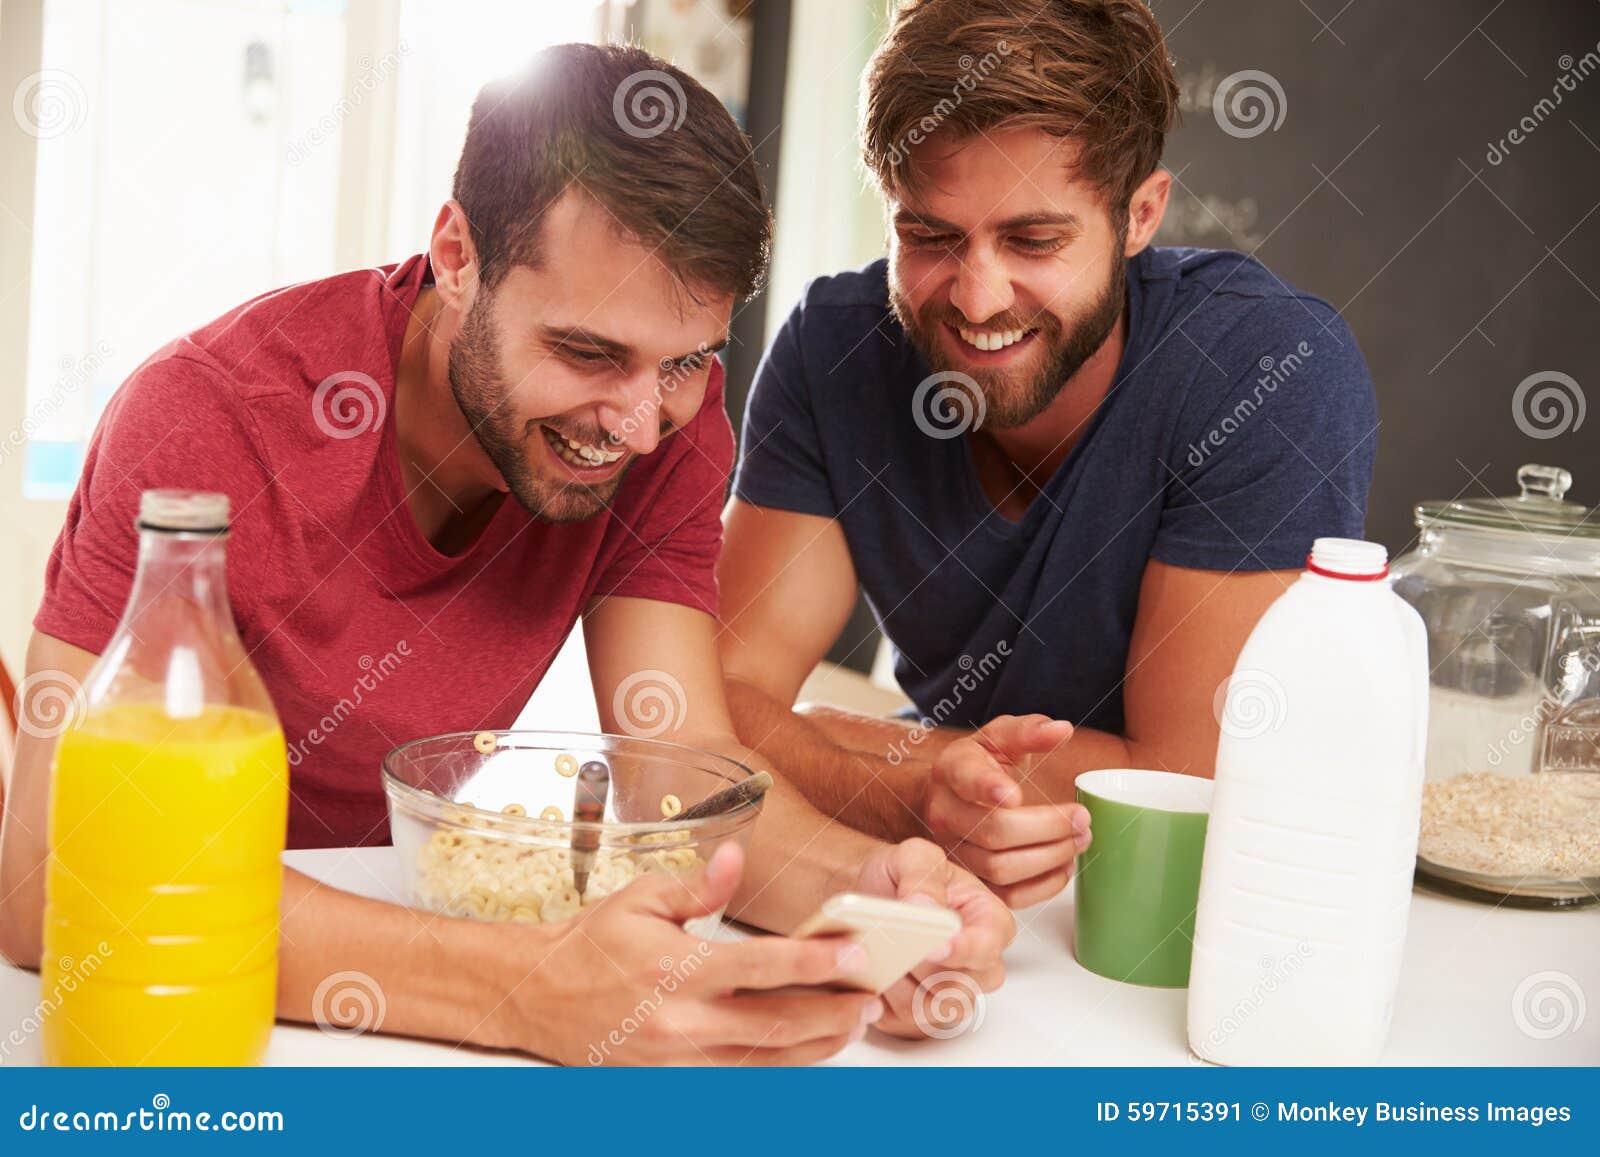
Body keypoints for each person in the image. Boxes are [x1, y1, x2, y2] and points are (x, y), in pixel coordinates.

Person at [0, 43, 1012, 1065]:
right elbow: (46, 879)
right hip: (189, 1019)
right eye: (586, 351)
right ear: (456, 252)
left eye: (689, 360)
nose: (636, 423)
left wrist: (866, 883)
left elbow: (684, 778)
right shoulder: (213, 419)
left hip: (376, 987)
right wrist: (520, 989)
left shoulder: (664, 426)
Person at [717, 0, 1378, 908]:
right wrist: (910, 786)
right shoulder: (832, 351)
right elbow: (712, 704)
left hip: (1181, 908)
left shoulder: (1266, 368)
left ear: (1141, 214)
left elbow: (1176, 788)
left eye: (1034, 240)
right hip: (934, 876)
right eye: (930, 237)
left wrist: (850, 740)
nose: (979, 298)